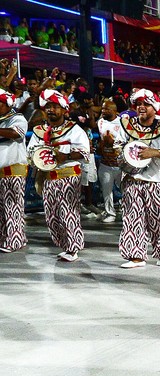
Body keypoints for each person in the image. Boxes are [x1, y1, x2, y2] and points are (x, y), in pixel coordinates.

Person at [115, 89, 160, 268]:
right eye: (138, 104)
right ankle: (136, 256)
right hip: (132, 178)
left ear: (154, 106)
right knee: (131, 216)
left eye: (146, 104)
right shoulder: (128, 124)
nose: (141, 107)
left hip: (157, 179)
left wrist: (155, 152)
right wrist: (121, 153)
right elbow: (119, 145)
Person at [26, 89, 91, 262]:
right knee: (52, 215)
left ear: (64, 110)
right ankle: (65, 245)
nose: (50, 110)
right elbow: (30, 151)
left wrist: (67, 156)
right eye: (47, 106)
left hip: (68, 176)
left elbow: (85, 152)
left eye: (55, 106)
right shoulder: (39, 130)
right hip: (47, 178)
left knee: (68, 212)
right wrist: (36, 157)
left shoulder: (74, 130)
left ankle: (73, 247)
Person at [0, 87, 28, 253]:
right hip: (1, 171)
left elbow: (16, 133)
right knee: (3, 209)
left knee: (13, 207)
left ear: (7, 103)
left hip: (13, 170)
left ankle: (14, 241)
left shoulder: (17, 118)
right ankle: (7, 238)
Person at [95, 99, 123, 223]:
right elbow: (101, 140)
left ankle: (129, 210)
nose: (103, 111)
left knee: (126, 189)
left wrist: (112, 143)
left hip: (120, 164)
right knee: (106, 190)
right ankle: (110, 212)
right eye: (102, 108)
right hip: (105, 162)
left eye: (106, 109)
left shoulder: (123, 122)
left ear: (114, 111)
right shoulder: (100, 122)